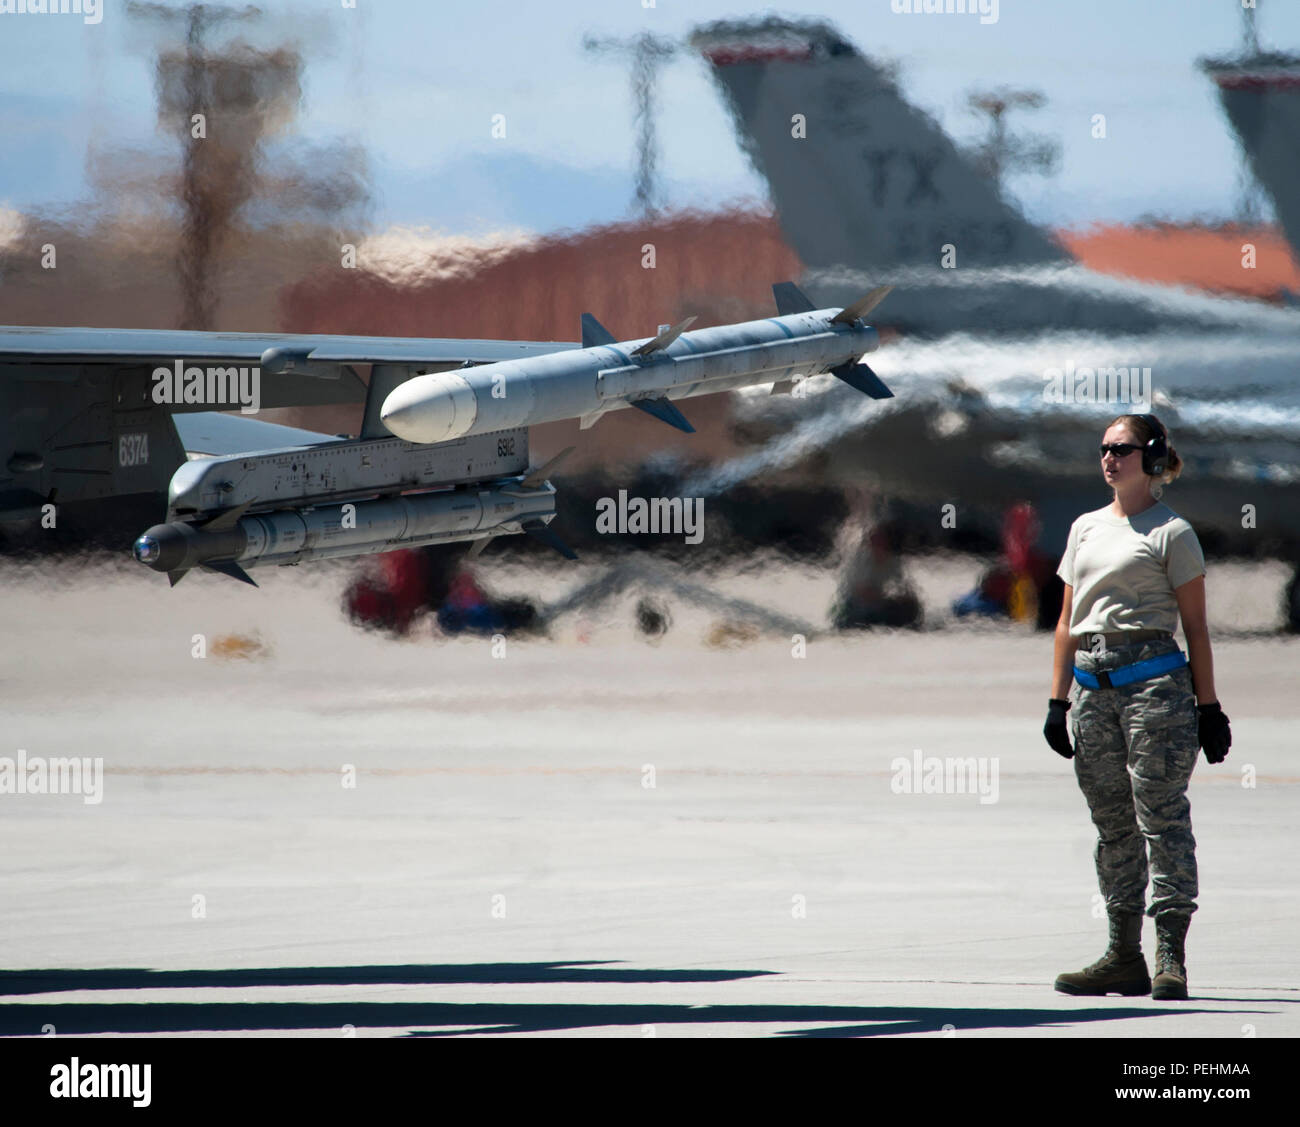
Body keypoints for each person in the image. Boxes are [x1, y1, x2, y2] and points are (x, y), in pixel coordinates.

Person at [1043, 414, 1232, 1000]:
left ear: (1150, 458)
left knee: (1162, 816)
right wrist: (1056, 701)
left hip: (1156, 689)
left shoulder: (1171, 532)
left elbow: (1196, 628)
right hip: (1093, 690)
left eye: (1121, 449)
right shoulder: (1085, 529)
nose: (1108, 458)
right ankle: (1123, 955)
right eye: (1103, 448)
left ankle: (1170, 954)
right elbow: (1066, 623)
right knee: (1112, 826)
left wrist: (1209, 707)